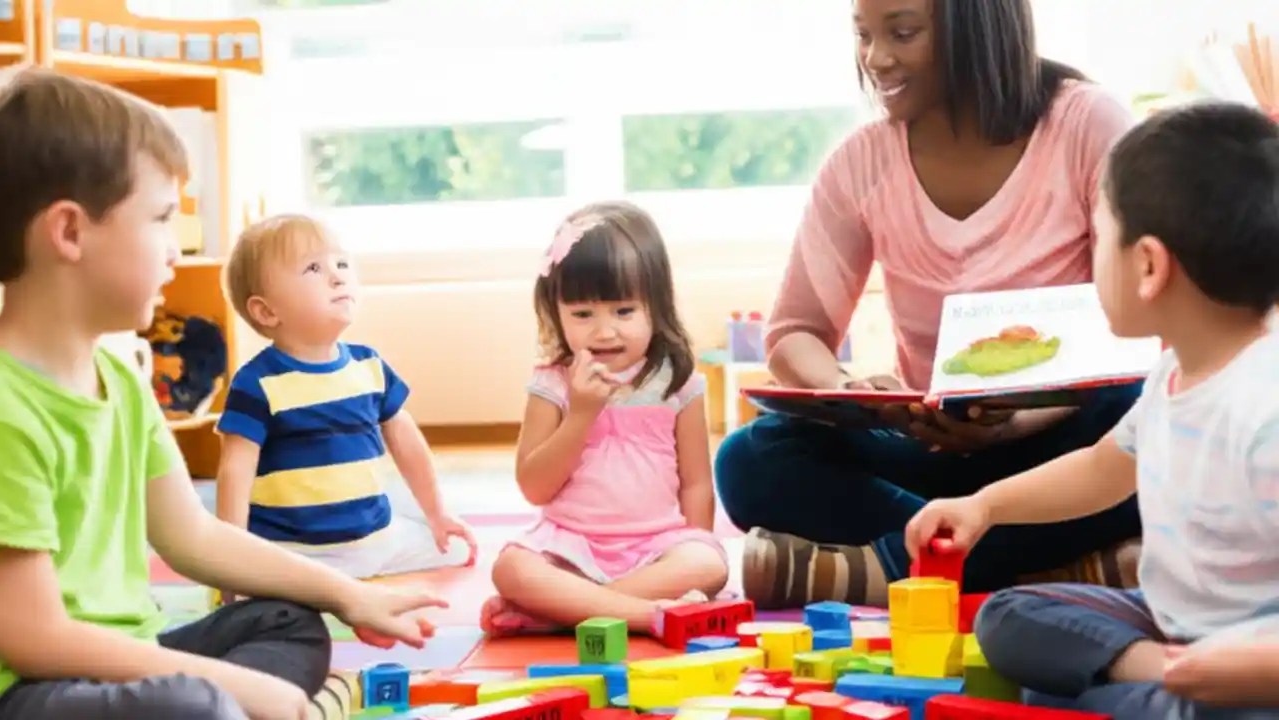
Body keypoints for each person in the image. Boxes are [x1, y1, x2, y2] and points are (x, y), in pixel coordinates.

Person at [0, 67, 446, 720]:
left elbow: (193, 537)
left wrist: (344, 592)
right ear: (69, 232)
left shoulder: (118, 378)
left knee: (290, 621)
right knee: (190, 702)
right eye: (159, 218)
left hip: (131, 654)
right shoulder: (8, 408)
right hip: (32, 690)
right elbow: (34, 640)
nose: (176, 252)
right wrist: (233, 689)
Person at [713, 0, 1144, 610]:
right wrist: (854, 391)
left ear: (977, 26)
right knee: (749, 458)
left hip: (1062, 447)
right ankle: (1045, 565)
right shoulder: (861, 162)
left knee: (1148, 422)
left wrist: (1024, 418)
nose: (875, 58)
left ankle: (891, 569)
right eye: (863, 35)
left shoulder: (1086, 124)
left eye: (903, 33)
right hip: (921, 446)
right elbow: (795, 333)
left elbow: (1135, 315)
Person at [906, 101, 1279, 717]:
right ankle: (1150, 678)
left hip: (1251, 668)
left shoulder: (1261, 407)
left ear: (1150, 266)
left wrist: (1253, 668)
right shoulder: (1171, 376)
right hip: (1172, 633)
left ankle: (1143, 689)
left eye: (1099, 236)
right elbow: (1104, 468)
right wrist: (985, 506)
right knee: (1009, 615)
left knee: (1089, 691)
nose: (1090, 253)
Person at [482, 201, 729, 636]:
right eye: (582, 314)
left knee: (708, 563)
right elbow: (534, 487)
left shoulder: (679, 382)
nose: (604, 331)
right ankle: (643, 615)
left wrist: (696, 546)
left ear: (656, 305)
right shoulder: (552, 383)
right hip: (569, 548)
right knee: (511, 569)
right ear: (555, 311)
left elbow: (696, 482)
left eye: (623, 311)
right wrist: (580, 414)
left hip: (655, 550)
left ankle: (565, 614)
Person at [216, 214, 477, 592]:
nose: (337, 276)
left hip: (373, 540)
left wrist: (437, 515)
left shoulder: (368, 366)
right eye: (313, 268)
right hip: (295, 550)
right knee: (264, 585)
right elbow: (234, 473)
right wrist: (232, 560)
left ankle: (346, 579)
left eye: (341, 264)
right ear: (267, 311)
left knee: (456, 550)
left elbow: (406, 441)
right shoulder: (257, 383)